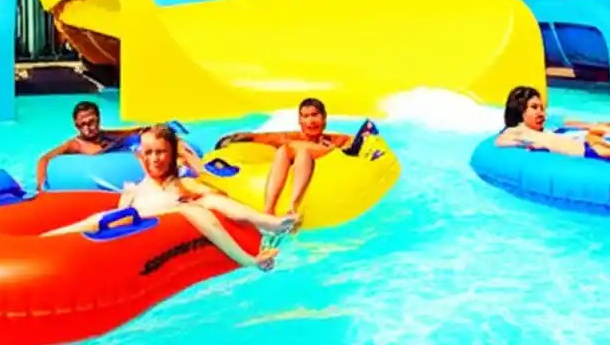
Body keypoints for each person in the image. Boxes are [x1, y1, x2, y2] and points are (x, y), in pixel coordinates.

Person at [43, 124, 297, 271]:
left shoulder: (183, 183)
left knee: (205, 203)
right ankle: (41, 241)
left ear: (172, 154)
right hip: (137, 218)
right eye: (149, 153)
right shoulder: (137, 186)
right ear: (141, 156)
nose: (155, 159)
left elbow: (213, 192)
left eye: (161, 153)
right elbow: (115, 216)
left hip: (163, 218)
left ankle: (268, 224)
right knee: (98, 219)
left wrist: (202, 187)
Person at [214, 97, 365, 216]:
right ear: (300, 120)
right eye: (305, 116)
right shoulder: (292, 139)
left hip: (328, 156)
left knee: (295, 149)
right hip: (297, 154)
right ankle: (269, 209)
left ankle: (292, 206)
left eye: (315, 115)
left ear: (324, 118)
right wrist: (239, 138)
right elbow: (268, 137)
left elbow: (355, 141)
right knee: (285, 150)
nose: (311, 121)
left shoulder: (332, 140)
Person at [34, 100, 205, 190]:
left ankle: (196, 169)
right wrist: (41, 185)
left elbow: (129, 133)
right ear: (76, 126)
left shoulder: (106, 136)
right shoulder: (75, 145)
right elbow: (45, 159)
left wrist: (159, 128)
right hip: (105, 171)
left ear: (98, 119)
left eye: (91, 122)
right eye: (82, 125)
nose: (88, 128)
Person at [493, 85, 610, 160]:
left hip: (587, 144)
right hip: (589, 151)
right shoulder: (518, 130)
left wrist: (595, 126)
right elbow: (500, 141)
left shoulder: (548, 127)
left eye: (542, 108)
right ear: (520, 110)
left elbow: (573, 124)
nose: (541, 112)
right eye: (534, 108)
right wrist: (527, 144)